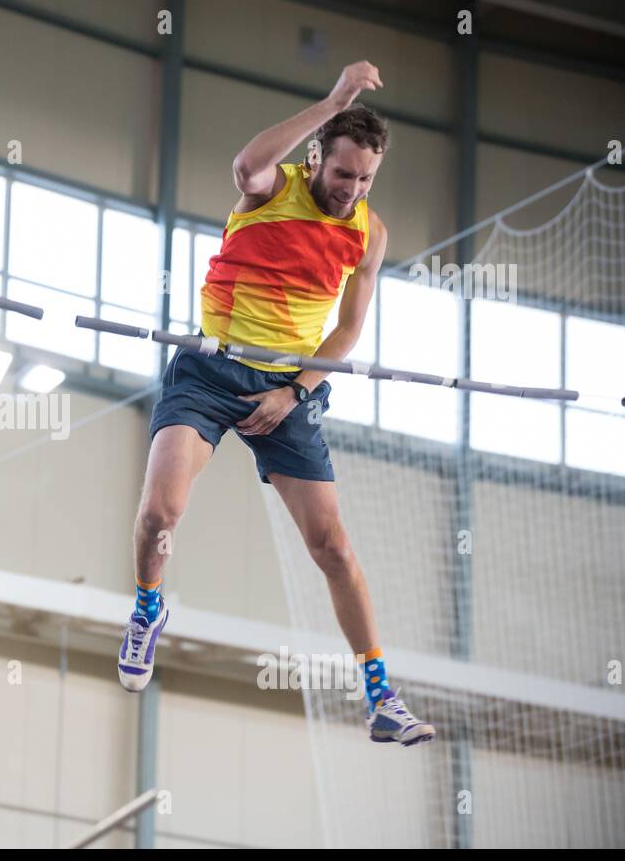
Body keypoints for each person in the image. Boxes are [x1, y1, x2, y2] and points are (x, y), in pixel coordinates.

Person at [119, 60, 435, 747]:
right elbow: (246, 161)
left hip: (287, 391)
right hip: (209, 372)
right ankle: (148, 609)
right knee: (157, 515)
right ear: (318, 157)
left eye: (365, 179)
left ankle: (380, 695)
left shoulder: (369, 235)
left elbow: (348, 329)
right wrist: (331, 100)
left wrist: (296, 392)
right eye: (343, 173)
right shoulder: (270, 189)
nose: (351, 189)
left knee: (334, 548)